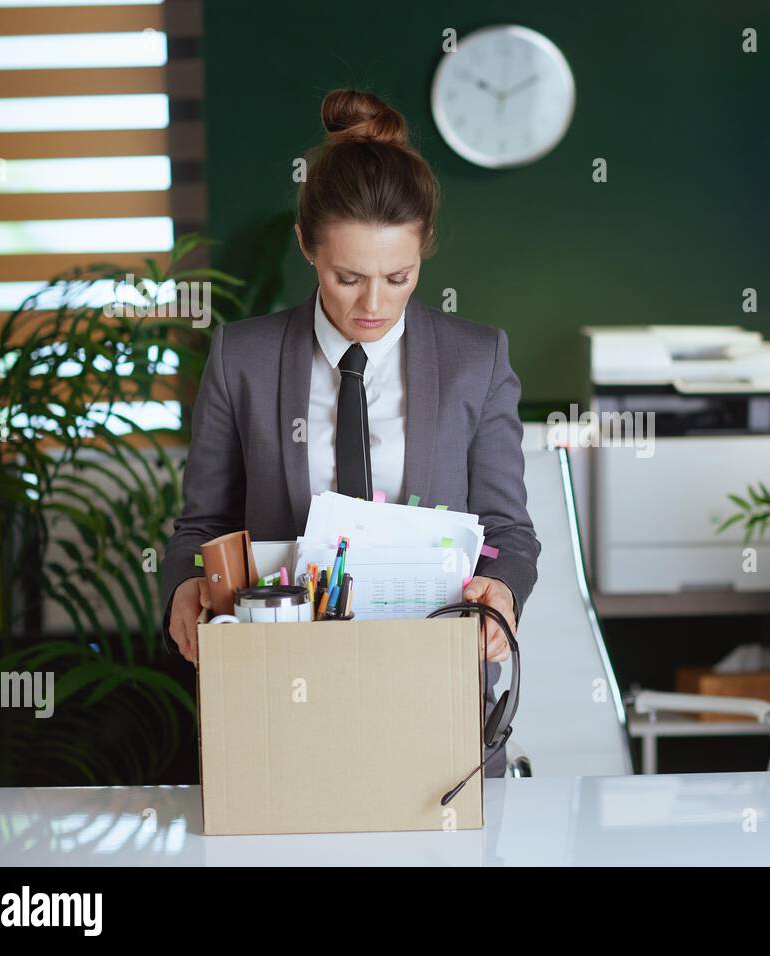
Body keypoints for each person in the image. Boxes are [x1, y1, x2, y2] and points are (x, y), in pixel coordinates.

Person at [159, 88, 540, 778]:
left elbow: (509, 535)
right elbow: (201, 527)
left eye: (399, 277)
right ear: (307, 247)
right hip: (279, 699)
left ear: (424, 250)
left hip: (432, 694)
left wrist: (502, 594)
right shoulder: (241, 359)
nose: (373, 304)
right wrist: (184, 588)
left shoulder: (473, 362)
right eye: (347, 277)